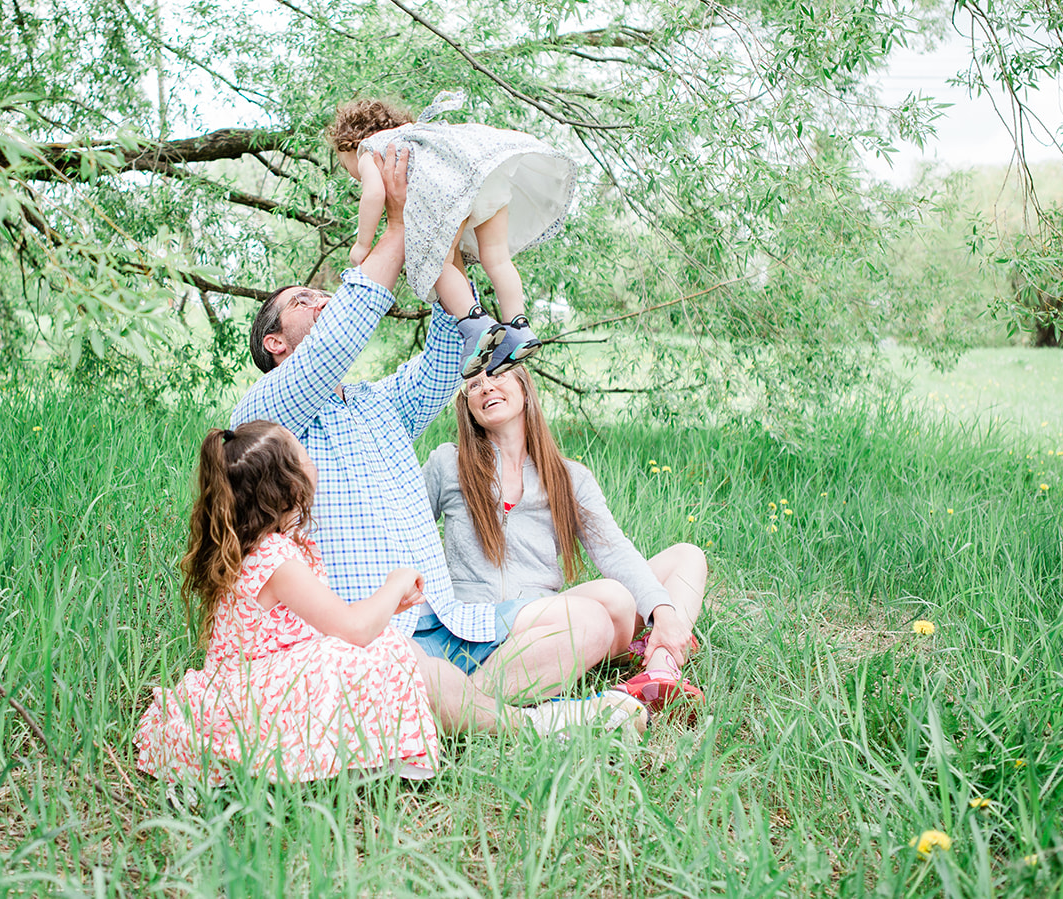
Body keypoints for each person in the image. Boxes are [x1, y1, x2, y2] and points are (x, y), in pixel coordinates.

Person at [234, 143, 644, 739]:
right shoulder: (268, 418)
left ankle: (454, 709)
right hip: (372, 633)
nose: (321, 300)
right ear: (276, 344)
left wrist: (439, 233)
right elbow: (339, 336)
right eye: (303, 302)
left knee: (597, 616)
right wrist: (396, 224)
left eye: (323, 294)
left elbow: (447, 352)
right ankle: (528, 725)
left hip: (447, 621)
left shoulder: (377, 402)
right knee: (426, 672)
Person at [134, 421, 439, 784]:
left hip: (241, 691)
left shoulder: (250, 545)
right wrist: (397, 581)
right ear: (289, 485)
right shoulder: (277, 558)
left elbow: (320, 622)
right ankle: (372, 760)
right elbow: (353, 629)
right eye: (302, 454)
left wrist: (386, 607)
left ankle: (357, 754)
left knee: (364, 640)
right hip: (251, 701)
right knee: (381, 645)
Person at [424, 366, 708, 710]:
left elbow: (613, 550)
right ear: (467, 405)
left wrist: (662, 612)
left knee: (686, 557)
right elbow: (401, 533)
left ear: (525, 388)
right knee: (611, 600)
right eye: (474, 384)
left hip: (540, 616)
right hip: (472, 623)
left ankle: (661, 668)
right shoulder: (448, 463)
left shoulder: (569, 477)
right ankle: (465, 700)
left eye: (497, 375)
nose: (485, 387)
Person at [325, 95, 575, 378]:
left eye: (347, 168)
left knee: (436, 261)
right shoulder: (417, 134)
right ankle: (518, 327)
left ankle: (476, 324)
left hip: (449, 190)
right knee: (498, 258)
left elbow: (373, 193)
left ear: (350, 144)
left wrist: (362, 245)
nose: (353, 174)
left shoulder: (371, 150)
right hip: (487, 176)